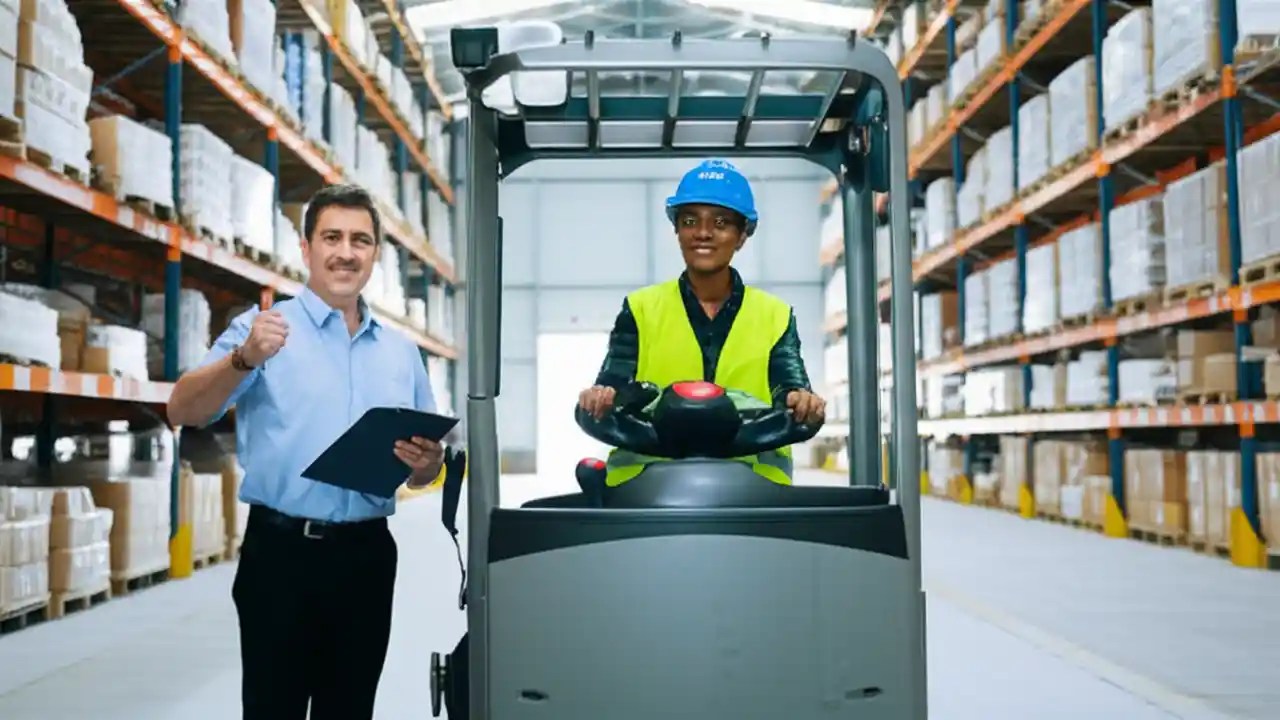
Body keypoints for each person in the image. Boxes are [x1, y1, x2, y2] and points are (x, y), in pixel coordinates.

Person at [165, 184, 444, 719]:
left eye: (360, 240)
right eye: (332, 237)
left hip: (366, 558)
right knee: (275, 708)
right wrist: (243, 360)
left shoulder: (400, 351)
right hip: (281, 557)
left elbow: (421, 471)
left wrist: (425, 465)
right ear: (307, 247)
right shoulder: (262, 331)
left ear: (375, 254)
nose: (346, 252)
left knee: (350, 708)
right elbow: (183, 410)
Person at [578, 158, 826, 486]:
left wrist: (800, 400)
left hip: (752, 489)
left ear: (742, 236)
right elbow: (616, 382)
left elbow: (788, 385)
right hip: (649, 487)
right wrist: (602, 396)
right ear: (677, 230)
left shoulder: (775, 315)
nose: (704, 233)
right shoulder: (641, 308)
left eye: (721, 223)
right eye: (690, 220)